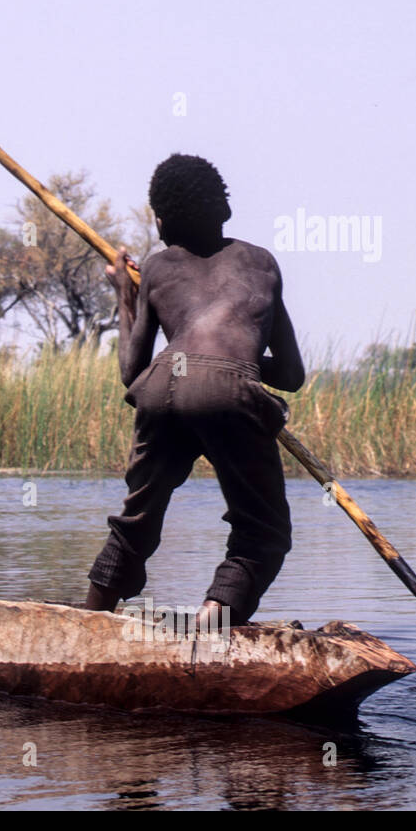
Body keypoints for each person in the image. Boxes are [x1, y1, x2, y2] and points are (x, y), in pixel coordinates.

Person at [85, 154, 305, 626]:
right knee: (263, 531)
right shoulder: (262, 263)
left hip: (161, 385)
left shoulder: (159, 268)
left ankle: (89, 619)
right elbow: (290, 374)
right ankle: (212, 622)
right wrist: (234, 364)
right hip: (228, 393)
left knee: (136, 522)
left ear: (161, 222)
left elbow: (131, 369)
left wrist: (125, 292)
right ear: (224, 211)